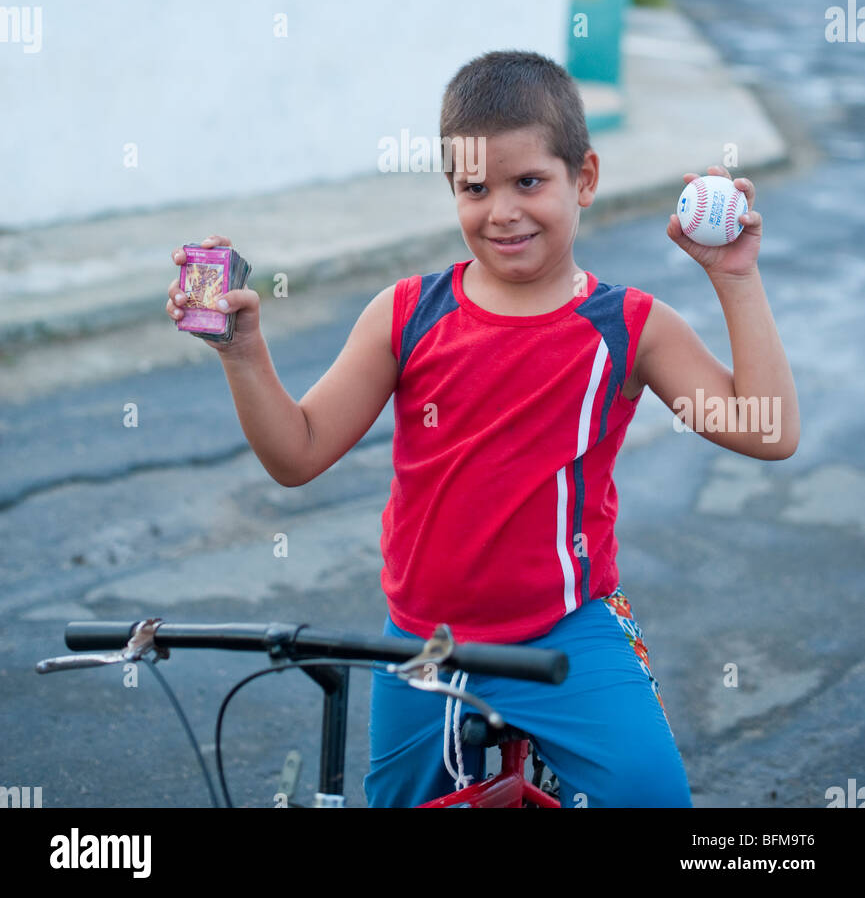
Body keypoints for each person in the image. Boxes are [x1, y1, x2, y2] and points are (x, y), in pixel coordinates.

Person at [165, 49, 799, 809]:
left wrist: (733, 277)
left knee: (653, 797)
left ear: (584, 179)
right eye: (475, 188)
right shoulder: (406, 314)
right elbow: (296, 454)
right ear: (452, 190)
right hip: (423, 641)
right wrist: (242, 353)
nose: (501, 210)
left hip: (568, 633)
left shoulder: (627, 328)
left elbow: (768, 433)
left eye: (528, 181)